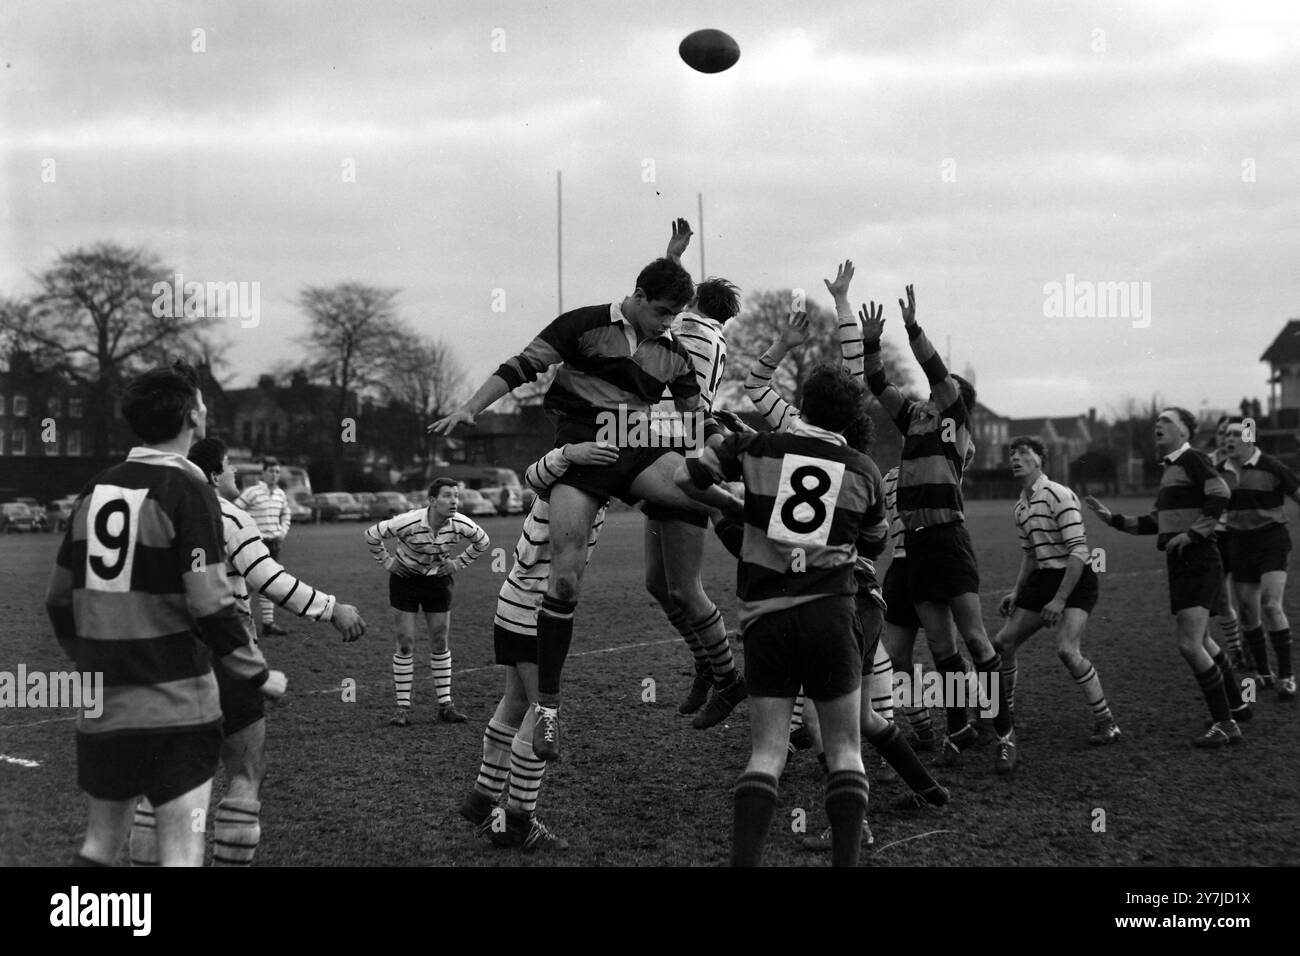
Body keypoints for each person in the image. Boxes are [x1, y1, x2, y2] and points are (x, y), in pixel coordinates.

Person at [429, 248, 739, 762]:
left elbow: (693, 420)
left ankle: (742, 653)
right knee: (566, 579)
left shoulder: (674, 352)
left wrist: (725, 443)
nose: (670, 325)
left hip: (637, 446)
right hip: (580, 452)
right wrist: (469, 407)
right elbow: (521, 366)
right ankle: (547, 710)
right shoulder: (584, 325)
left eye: (676, 316)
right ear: (638, 298)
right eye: (663, 312)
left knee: (711, 494)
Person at [45, 361, 285, 866]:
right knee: (180, 851)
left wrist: (97, 661)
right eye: (200, 401)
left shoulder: (98, 487)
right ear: (191, 415)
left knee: (100, 846)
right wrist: (256, 673)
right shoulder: (191, 488)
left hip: (104, 702)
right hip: (176, 702)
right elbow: (211, 600)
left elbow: (60, 600)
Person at [678, 363, 887, 867]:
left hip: (765, 617)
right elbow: (874, 545)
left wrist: (734, 503)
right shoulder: (863, 469)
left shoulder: (757, 447)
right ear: (852, 415)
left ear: (803, 404)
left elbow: (690, 478)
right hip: (831, 617)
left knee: (766, 753)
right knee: (844, 751)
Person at [128, 437, 366, 866]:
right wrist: (333, 609)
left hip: (160, 655)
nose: (238, 476)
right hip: (222, 651)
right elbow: (269, 579)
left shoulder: (154, 508)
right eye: (232, 469)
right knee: (245, 771)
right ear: (216, 475)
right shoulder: (230, 515)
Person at [861, 286, 1000, 766]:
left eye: (937, 393)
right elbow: (877, 383)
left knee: (976, 640)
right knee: (942, 648)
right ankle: (960, 729)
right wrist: (871, 340)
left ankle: (1003, 734)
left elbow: (937, 375)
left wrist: (913, 329)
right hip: (916, 547)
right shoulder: (915, 422)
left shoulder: (954, 423)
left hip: (947, 539)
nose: (924, 398)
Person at [459, 440, 616, 852]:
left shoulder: (574, 490)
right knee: (538, 709)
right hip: (534, 610)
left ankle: (481, 799)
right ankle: (517, 823)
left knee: (514, 702)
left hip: (514, 600)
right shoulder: (566, 488)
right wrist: (569, 452)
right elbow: (535, 474)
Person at [1086, 407, 1250, 747]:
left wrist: (1193, 534)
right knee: (1202, 640)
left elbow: (1221, 493)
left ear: (1185, 432)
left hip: (1198, 558)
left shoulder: (1193, 459)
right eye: (1157, 422)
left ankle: (1225, 723)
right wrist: (1113, 519)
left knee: (1189, 644)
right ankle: (1236, 705)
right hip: (1185, 561)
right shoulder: (1173, 468)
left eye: (1167, 422)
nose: (1158, 426)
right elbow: (1155, 522)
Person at [646, 218, 748, 728]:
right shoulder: (713, 335)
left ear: (694, 306)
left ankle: (726, 677)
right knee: (658, 585)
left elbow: (663, 312)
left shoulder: (693, 331)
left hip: (676, 454)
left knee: (682, 588)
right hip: (665, 452)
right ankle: (706, 664)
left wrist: (673, 255)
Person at [989, 436, 1118, 775]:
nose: (1015, 458)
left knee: (1066, 649)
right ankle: (1008, 713)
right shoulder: (1020, 506)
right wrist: (1017, 592)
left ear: (1040, 460)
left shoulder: (1060, 495)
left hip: (1076, 581)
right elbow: (1030, 555)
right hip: (1044, 579)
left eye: (1023, 453)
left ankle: (1106, 721)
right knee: (1002, 643)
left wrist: (1060, 599)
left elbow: (1079, 551)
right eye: (1012, 453)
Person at [365, 478, 490, 726]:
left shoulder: (461, 524)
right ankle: (402, 709)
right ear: (432, 501)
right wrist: (389, 563)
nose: (454, 500)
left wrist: (457, 563)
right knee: (405, 642)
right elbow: (371, 535)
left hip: (437, 581)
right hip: (405, 581)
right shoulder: (408, 521)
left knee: (440, 639)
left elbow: (483, 542)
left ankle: (445, 706)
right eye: (447, 496)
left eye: (456, 496)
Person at [1223, 420, 1300, 699]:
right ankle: (1263, 673)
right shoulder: (1220, 472)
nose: (1228, 439)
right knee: (1246, 611)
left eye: (1235, 434)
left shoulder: (1272, 466)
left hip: (1271, 542)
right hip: (1239, 544)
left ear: (1249, 438)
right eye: (1226, 435)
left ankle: (1286, 676)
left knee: (1270, 603)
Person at [235, 457, 292, 636]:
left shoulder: (280, 494)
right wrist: (248, 534)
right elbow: (235, 512)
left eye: (277, 472)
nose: (274, 475)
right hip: (257, 544)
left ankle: (268, 624)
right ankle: (240, 623)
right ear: (263, 473)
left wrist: (283, 531)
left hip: (274, 544)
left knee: (270, 584)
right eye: (271, 471)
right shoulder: (251, 492)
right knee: (249, 584)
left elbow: (286, 514)